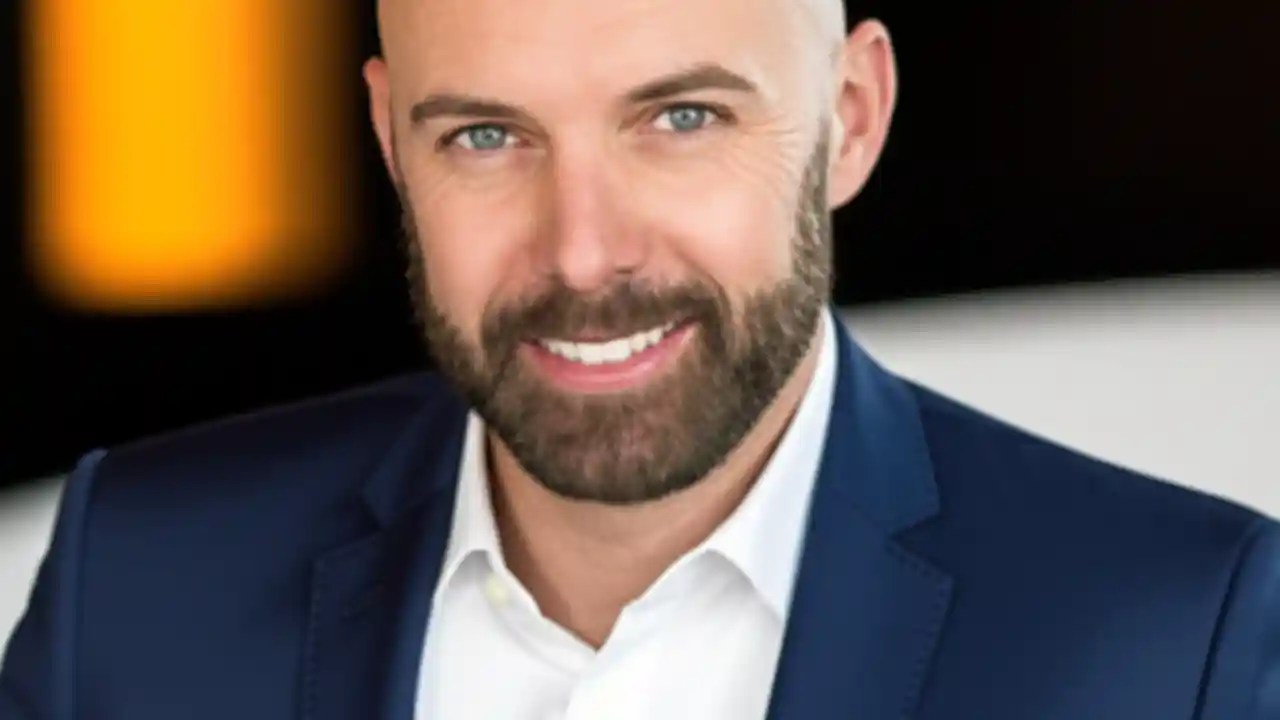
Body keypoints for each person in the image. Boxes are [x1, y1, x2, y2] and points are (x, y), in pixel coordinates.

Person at [3, 0, 1277, 717]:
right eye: (488, 137)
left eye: (680, 119)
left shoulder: (1173, 641)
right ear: (392, 141)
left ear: (849, 121)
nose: (582, 252)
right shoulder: (134, 580)